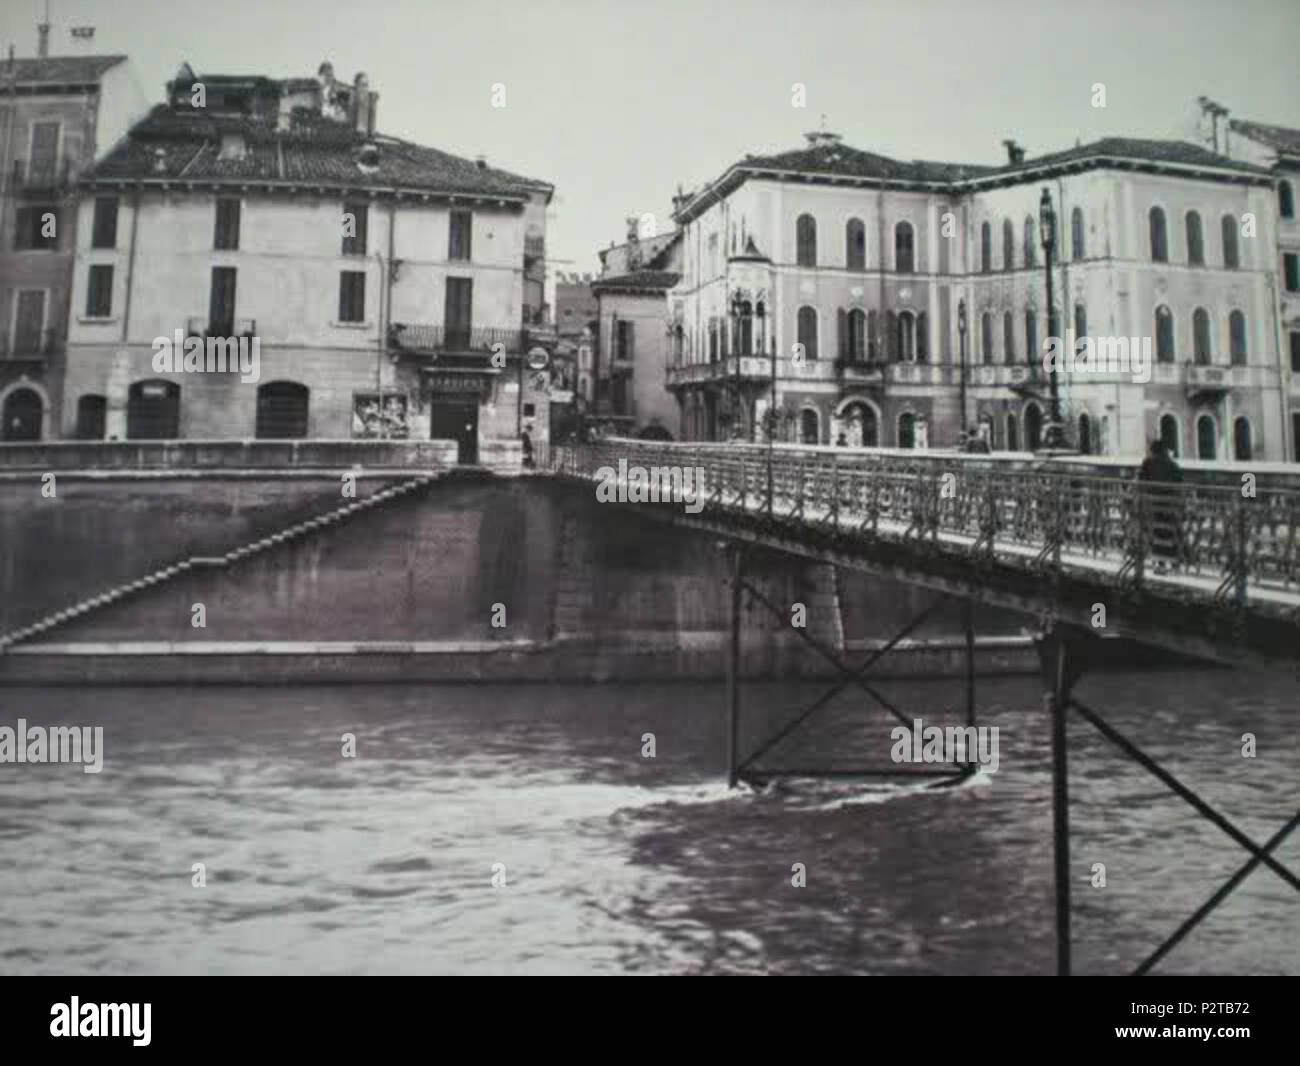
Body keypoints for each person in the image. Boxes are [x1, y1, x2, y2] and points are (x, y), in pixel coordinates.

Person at [1137, 439, 1183, 570]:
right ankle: (1174, 561)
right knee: (1170, 531)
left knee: (1156, 532)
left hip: (1153, 505)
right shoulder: (1173, 465)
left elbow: (1141, 482)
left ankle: (1160, 562)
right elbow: (1179, 483)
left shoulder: (1148, 463)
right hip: (1170, 506)